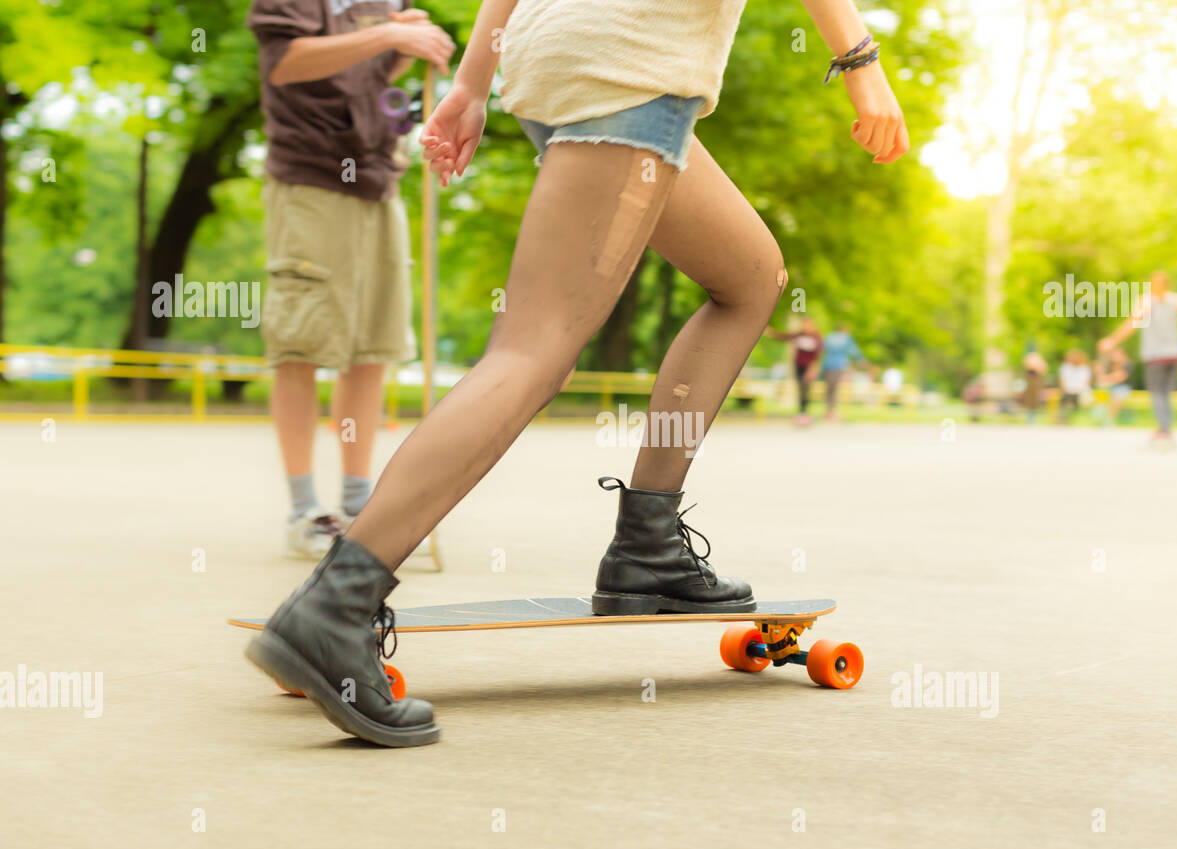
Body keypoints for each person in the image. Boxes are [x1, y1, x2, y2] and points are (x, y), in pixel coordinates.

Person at [243, 0, 910, 747]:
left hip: (558, 54)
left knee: (750, 278)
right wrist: (860, 64)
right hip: (630, 66)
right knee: (534, 349)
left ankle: (647, 546)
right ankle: (336, 607)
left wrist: (470, 83)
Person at [248, 1, 456, 558]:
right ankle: (305, 511)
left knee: (372, 347)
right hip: (310, 179)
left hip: (379, 178)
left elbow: (365, 79)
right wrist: (387, 33)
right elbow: (285, 64)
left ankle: (358, 505)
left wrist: (399, 48)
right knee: (302, 344)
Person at [1100, 270, 1177, 444]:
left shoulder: (1147, 300)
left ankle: (1163, 429)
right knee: (1166, 393)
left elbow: (1133, 323)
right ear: (1168, 284)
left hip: (1155, 355)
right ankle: (1165, 427)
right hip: (1175, 354)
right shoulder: (1176, 299)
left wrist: (1112, 340)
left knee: (1157, 393)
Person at [766, 316, 824, 425]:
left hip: (809, 367)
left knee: (805, 390)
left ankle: (805, 413)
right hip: (799, 366)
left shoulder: (816, 338)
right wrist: (769, 331)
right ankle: (801, 413)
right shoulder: (799, 335)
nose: (805, 327)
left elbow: (818, 355)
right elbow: (784, 337)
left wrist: (813, 368)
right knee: (800, 389)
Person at [819, 322, 867, 421]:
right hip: (838, 365)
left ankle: (829, 410)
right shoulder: (845, 338)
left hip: (827, 365)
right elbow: (853, 350)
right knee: (834, 388)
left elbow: (821, 350)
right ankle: (831, 412)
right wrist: (861, 359)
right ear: (843, 329)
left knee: (830, 388)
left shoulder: (828, 337)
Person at [1094, 343, 1132, 426]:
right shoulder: (1110, 363)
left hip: (1122, 388)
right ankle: (1099, 411)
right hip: (1110, 387)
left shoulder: (1127, 364)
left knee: (1116, 397)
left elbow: (1121, 377)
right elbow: (1100, 374)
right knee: (1101, 389)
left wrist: (1107, 379)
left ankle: (1109, 420)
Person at [1056, 348, 1092, 424]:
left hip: (1081, 391)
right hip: (1068, 391)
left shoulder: (1085, 368)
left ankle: (1083, 419)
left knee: (1085, 399)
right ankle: (1062, 420)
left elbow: (1087, 383)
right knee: (1064, 400)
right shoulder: (1065, 368)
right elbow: (1062, 382)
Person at [1021, 351, 1047, 424]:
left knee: (1035, 401)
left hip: (1036, 382)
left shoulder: (1038, 360)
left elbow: (1043, 369)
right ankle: (1030, 419)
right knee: (1030, 401)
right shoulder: (1028, 370)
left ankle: (1032, 419)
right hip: (1031, 383)